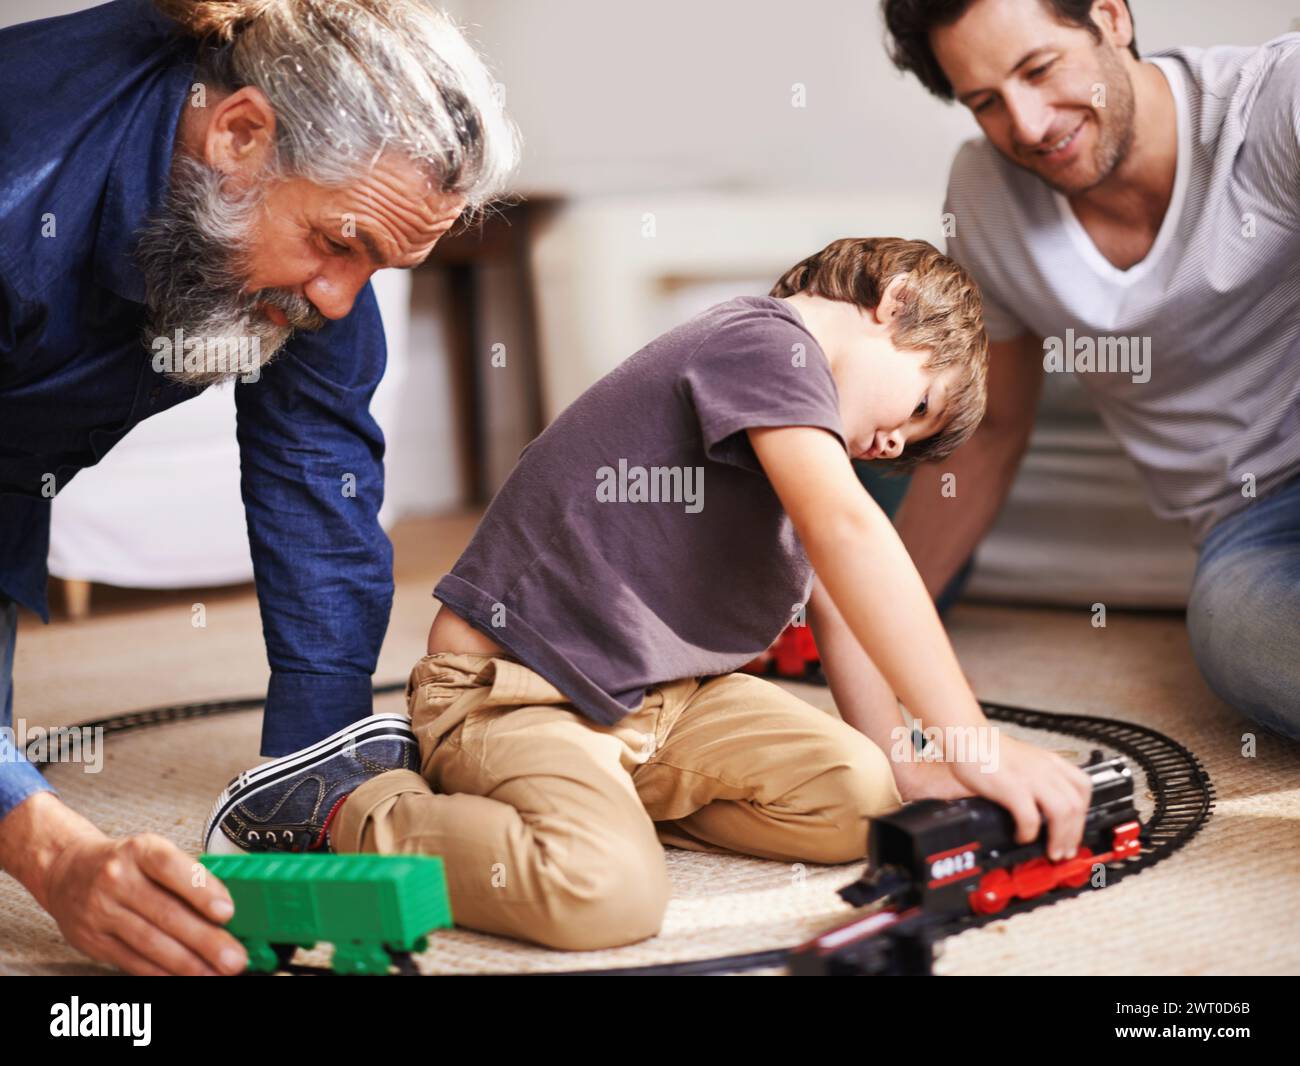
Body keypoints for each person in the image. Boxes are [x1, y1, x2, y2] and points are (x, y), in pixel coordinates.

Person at [206, 237, 1093, 951]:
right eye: (919, 408)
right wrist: (974, 742)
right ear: (894, 301)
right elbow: (851, 536)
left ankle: (597, 801)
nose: (897, 445)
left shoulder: (798, 428)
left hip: (670, 703)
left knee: (863, 799)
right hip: (518, 697)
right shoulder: (770, 340)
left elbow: (836, 594)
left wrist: (900, 751)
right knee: (606, 894)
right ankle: (345, 805)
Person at [0, 0, 517, 975]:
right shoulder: (16, 189)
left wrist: (315, 775)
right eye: (338, 243)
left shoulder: (318, 243)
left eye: (380, 264)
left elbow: (317, 472)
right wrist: (49, 849)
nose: (339, 299)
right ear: (239, 134)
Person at [879, 0, 1300, 740]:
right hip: (1256, 520)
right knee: (1239, 634)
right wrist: (881, 638)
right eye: (986, 103)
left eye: (1039, 69)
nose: (1032, 125)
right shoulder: (985, 197)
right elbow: (992, 430)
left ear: (1110, 17)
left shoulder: (1276, 103)